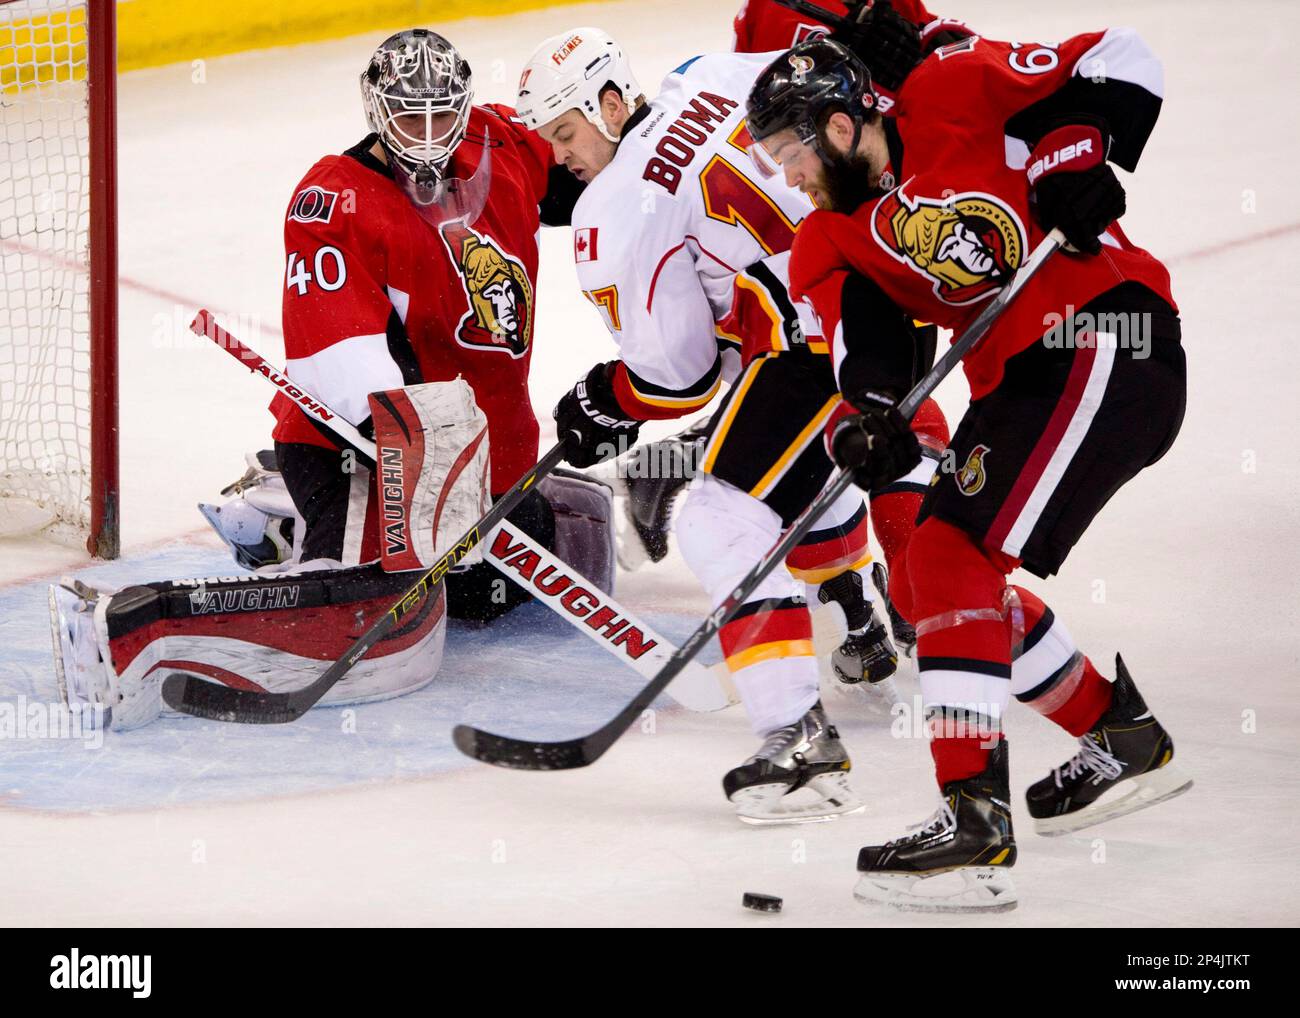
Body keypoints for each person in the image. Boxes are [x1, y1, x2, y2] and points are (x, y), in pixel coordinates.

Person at [48, 29, 611, 731]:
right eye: (412, 117)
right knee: (379, 630)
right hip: (363, 451)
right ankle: (149, 629)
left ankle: (276, 516)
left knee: (499, 591)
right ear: (378, 113)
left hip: (480, 462)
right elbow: (343, 372)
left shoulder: (499, 141)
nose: (432, 134)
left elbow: (583, 159)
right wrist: (435, 474)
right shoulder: (333, 201)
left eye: (445, 114)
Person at [747, 33, 1190, 908]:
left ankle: (973, 821)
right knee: (922, 578)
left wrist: (1076, 159)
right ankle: (1117, 733)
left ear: (839, 127)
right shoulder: (832, 238)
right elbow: (868, 348)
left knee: (950, 559)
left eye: (790, 154)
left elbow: (1119, 59)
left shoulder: (950, 91)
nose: (786, 177)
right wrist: (874, 418)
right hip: (1024, 379)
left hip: (1102, 336)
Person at [515, 27, 942, 824]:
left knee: (717, 511)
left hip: (819, 337)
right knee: (794, 468)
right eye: (547, 140)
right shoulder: (704, 71)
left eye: (565, 133)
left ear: (612, 105)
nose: (560, 157)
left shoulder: (614, 207)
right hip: (888, 281)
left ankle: (799, 742)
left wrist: (604, 402)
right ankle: (860, 618)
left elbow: (677, 375)